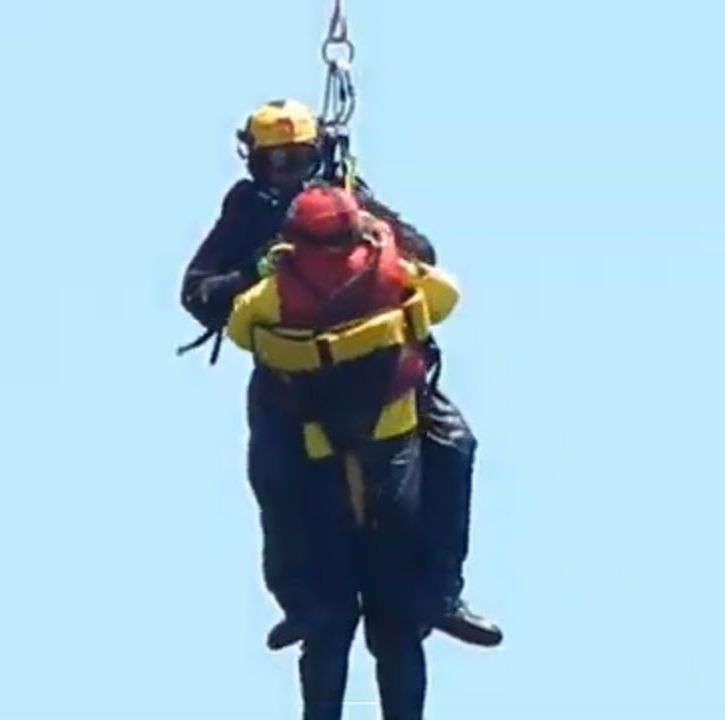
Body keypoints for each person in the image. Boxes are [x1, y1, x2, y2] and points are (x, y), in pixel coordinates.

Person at [178, 97, 501, 648]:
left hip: (382, 371)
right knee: (274, 475)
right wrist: (254, 273)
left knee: (456, 445)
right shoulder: (247, 211)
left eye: (297, 160)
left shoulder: (349, 198)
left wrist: (368, 238)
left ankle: (441, 590)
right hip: (293, 381)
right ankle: (301, 603)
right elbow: (197, 292)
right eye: (273, 163)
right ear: (253, 163)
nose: (286, 175)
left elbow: (424, 251)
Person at [224, 184, 458, 718]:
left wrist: (269, 267)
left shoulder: (275, 294)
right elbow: (447, 296)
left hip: (318, 457)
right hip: (392, 446)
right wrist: (387, 239)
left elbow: (241, 329)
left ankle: (297, 603)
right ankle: (445, 587)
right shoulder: (393, 271)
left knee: (328, 618)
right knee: (397, 618)